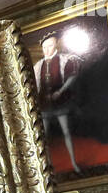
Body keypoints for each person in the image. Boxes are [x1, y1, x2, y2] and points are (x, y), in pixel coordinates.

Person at [33, 32, 82, 173]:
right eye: (44, 47)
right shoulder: (39, 65)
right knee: (44, 136)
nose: (47, 50)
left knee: (67, 132)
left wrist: (60, 92)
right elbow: (35, 84)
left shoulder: (64, 60)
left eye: (49, 46)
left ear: (55, 45)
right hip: (44, 105)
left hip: (61, 102)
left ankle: (73, 163)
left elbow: (72, 77)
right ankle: (46, 166)